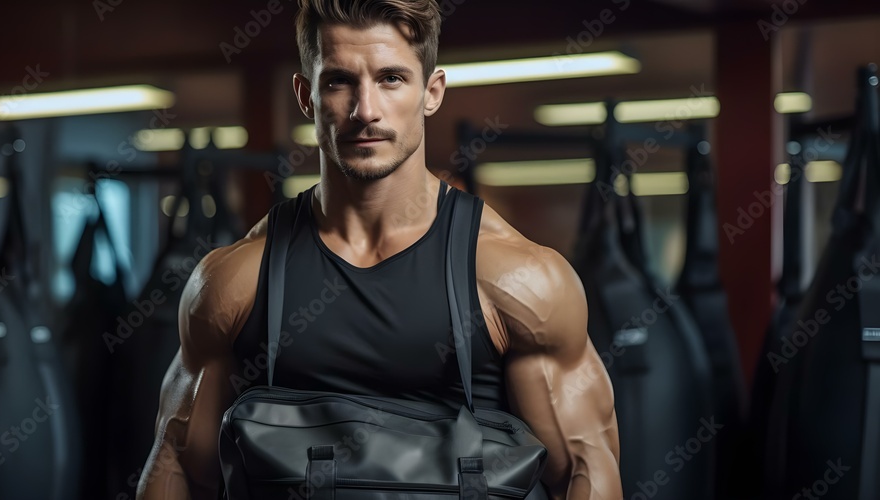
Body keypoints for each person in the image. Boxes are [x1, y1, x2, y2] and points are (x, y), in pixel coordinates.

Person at [136, 1, 620, 498]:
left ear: (432, 93)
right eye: (339, 81)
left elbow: (586, 468)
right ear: (306, 95)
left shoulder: (516, 278)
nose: (365, 110)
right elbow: (178, 461)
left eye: (391, 79)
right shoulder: (235, 280)